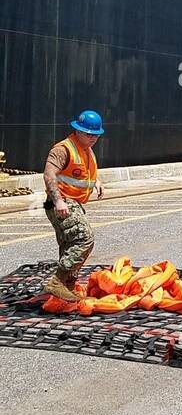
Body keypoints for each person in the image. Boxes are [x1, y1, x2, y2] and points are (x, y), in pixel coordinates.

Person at [41, 110, 105, 301]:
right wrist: (58, 200)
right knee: (84, 238)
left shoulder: (86, 149)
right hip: (61, 202)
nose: (92, 137)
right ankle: (58, 281)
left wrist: (97, 182)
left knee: (69, 243)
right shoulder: (63, 149)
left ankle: (66, 288)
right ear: (77, 130)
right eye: (88, 134)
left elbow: (82, 173)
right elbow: (49, 175)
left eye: (96, 134)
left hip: (74, 202)